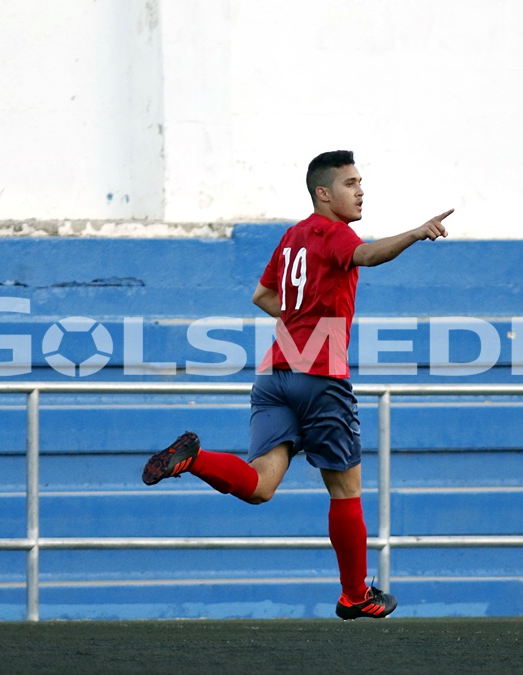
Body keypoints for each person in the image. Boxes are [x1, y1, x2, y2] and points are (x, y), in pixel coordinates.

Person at [142, 150, 452, 619]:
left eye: (361, 181)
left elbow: (262, 295)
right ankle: (355, 596)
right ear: (323, 194)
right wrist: (414, 232)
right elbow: (367, 255)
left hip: (275, 373)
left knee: (262, 486)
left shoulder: (291, 238)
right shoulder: (336, 234)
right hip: (319, 374)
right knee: (345, 491)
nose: (361, 190)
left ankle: (194, 458)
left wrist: (302, 321)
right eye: (351, 183)